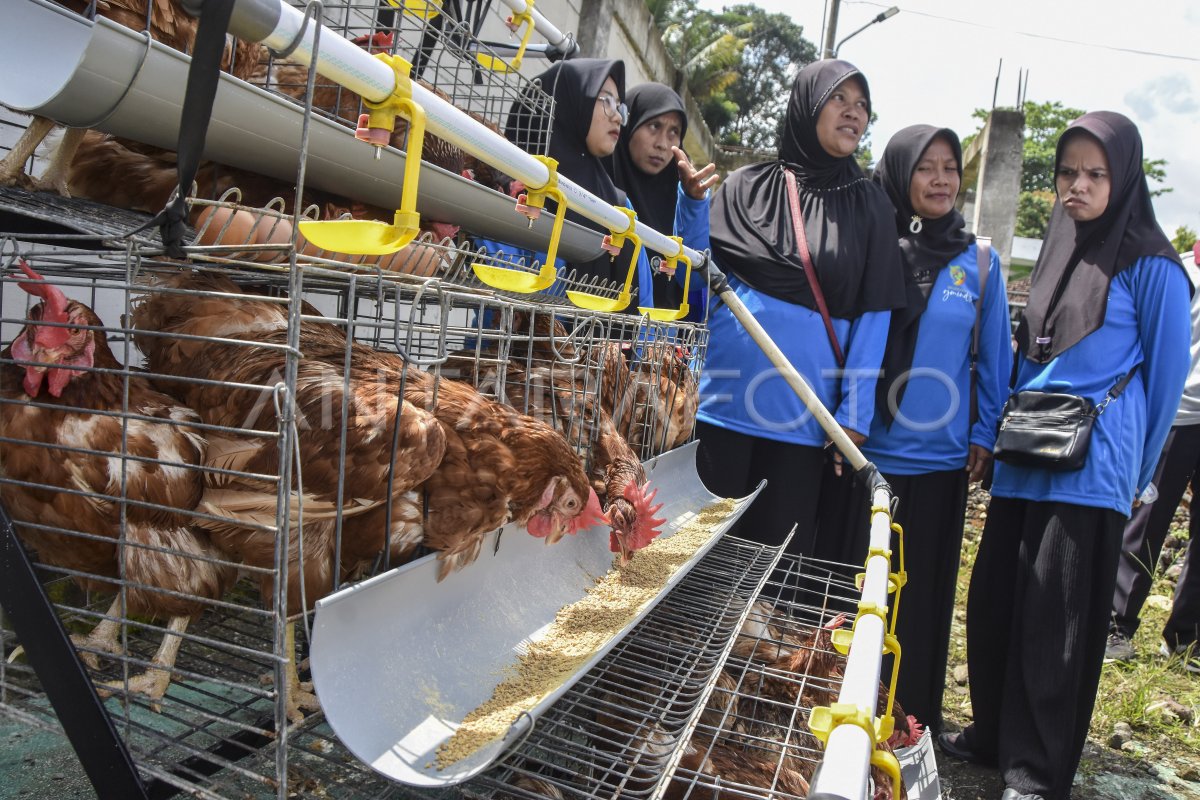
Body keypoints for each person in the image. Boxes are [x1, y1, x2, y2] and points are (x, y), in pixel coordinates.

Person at [940, 111, 1191, 800]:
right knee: (995, 603)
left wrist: (1138, 478)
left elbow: (1167, 383)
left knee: (1058, 624)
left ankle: (1037, 770)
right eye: (1068, 173)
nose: (1077, 187)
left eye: (1095, 174)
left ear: (1124, 177)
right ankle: (991, 735)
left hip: (1092, 464)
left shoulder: (1154, 267)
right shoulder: (1057, 249)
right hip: (1028, 454)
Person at [824, 124, 1012, 735]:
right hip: (871, 458)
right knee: (858, 596)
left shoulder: (979, 262)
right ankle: (845, 715)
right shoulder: (877, 247)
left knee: (922, 600)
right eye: (926, 167)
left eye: (950, 168)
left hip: (939, 464)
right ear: (901, 175)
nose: (940, 180)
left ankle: (911, 721)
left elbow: (995, 360)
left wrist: (984, 433)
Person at [694, 59, 905, 559]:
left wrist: (852, 417)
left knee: (769, 564)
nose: (854, 113)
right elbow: (696, 284)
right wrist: (691, 206)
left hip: (802, 422)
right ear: (807, 106)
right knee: (691, 558)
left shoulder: (871, 207)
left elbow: (875, 315)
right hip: (718, 406)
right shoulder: (744, 186)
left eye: (863, 106)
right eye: (840, 100)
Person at [1106, 241, 1200, 673]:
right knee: (1147, 517)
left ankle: (1186, 638)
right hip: (1178, 413)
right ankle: (1116, 624)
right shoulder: (1177, 273)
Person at [500, 58, 655, 309]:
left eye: (619, 106)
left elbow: (645, 310)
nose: (617, 117)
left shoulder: (618, 204)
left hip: (608, 348)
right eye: (606, 100)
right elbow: (495, 294)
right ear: (567, 103)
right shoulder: (516, 187)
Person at [604, 82, 718, 316]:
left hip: (657, 347)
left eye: (674, 132)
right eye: (654, 126)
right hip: (590, 339)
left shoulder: (682, 196)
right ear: (629, 124)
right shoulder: (600, 183)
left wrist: (693, 203)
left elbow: (694, 281)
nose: (662, 144)